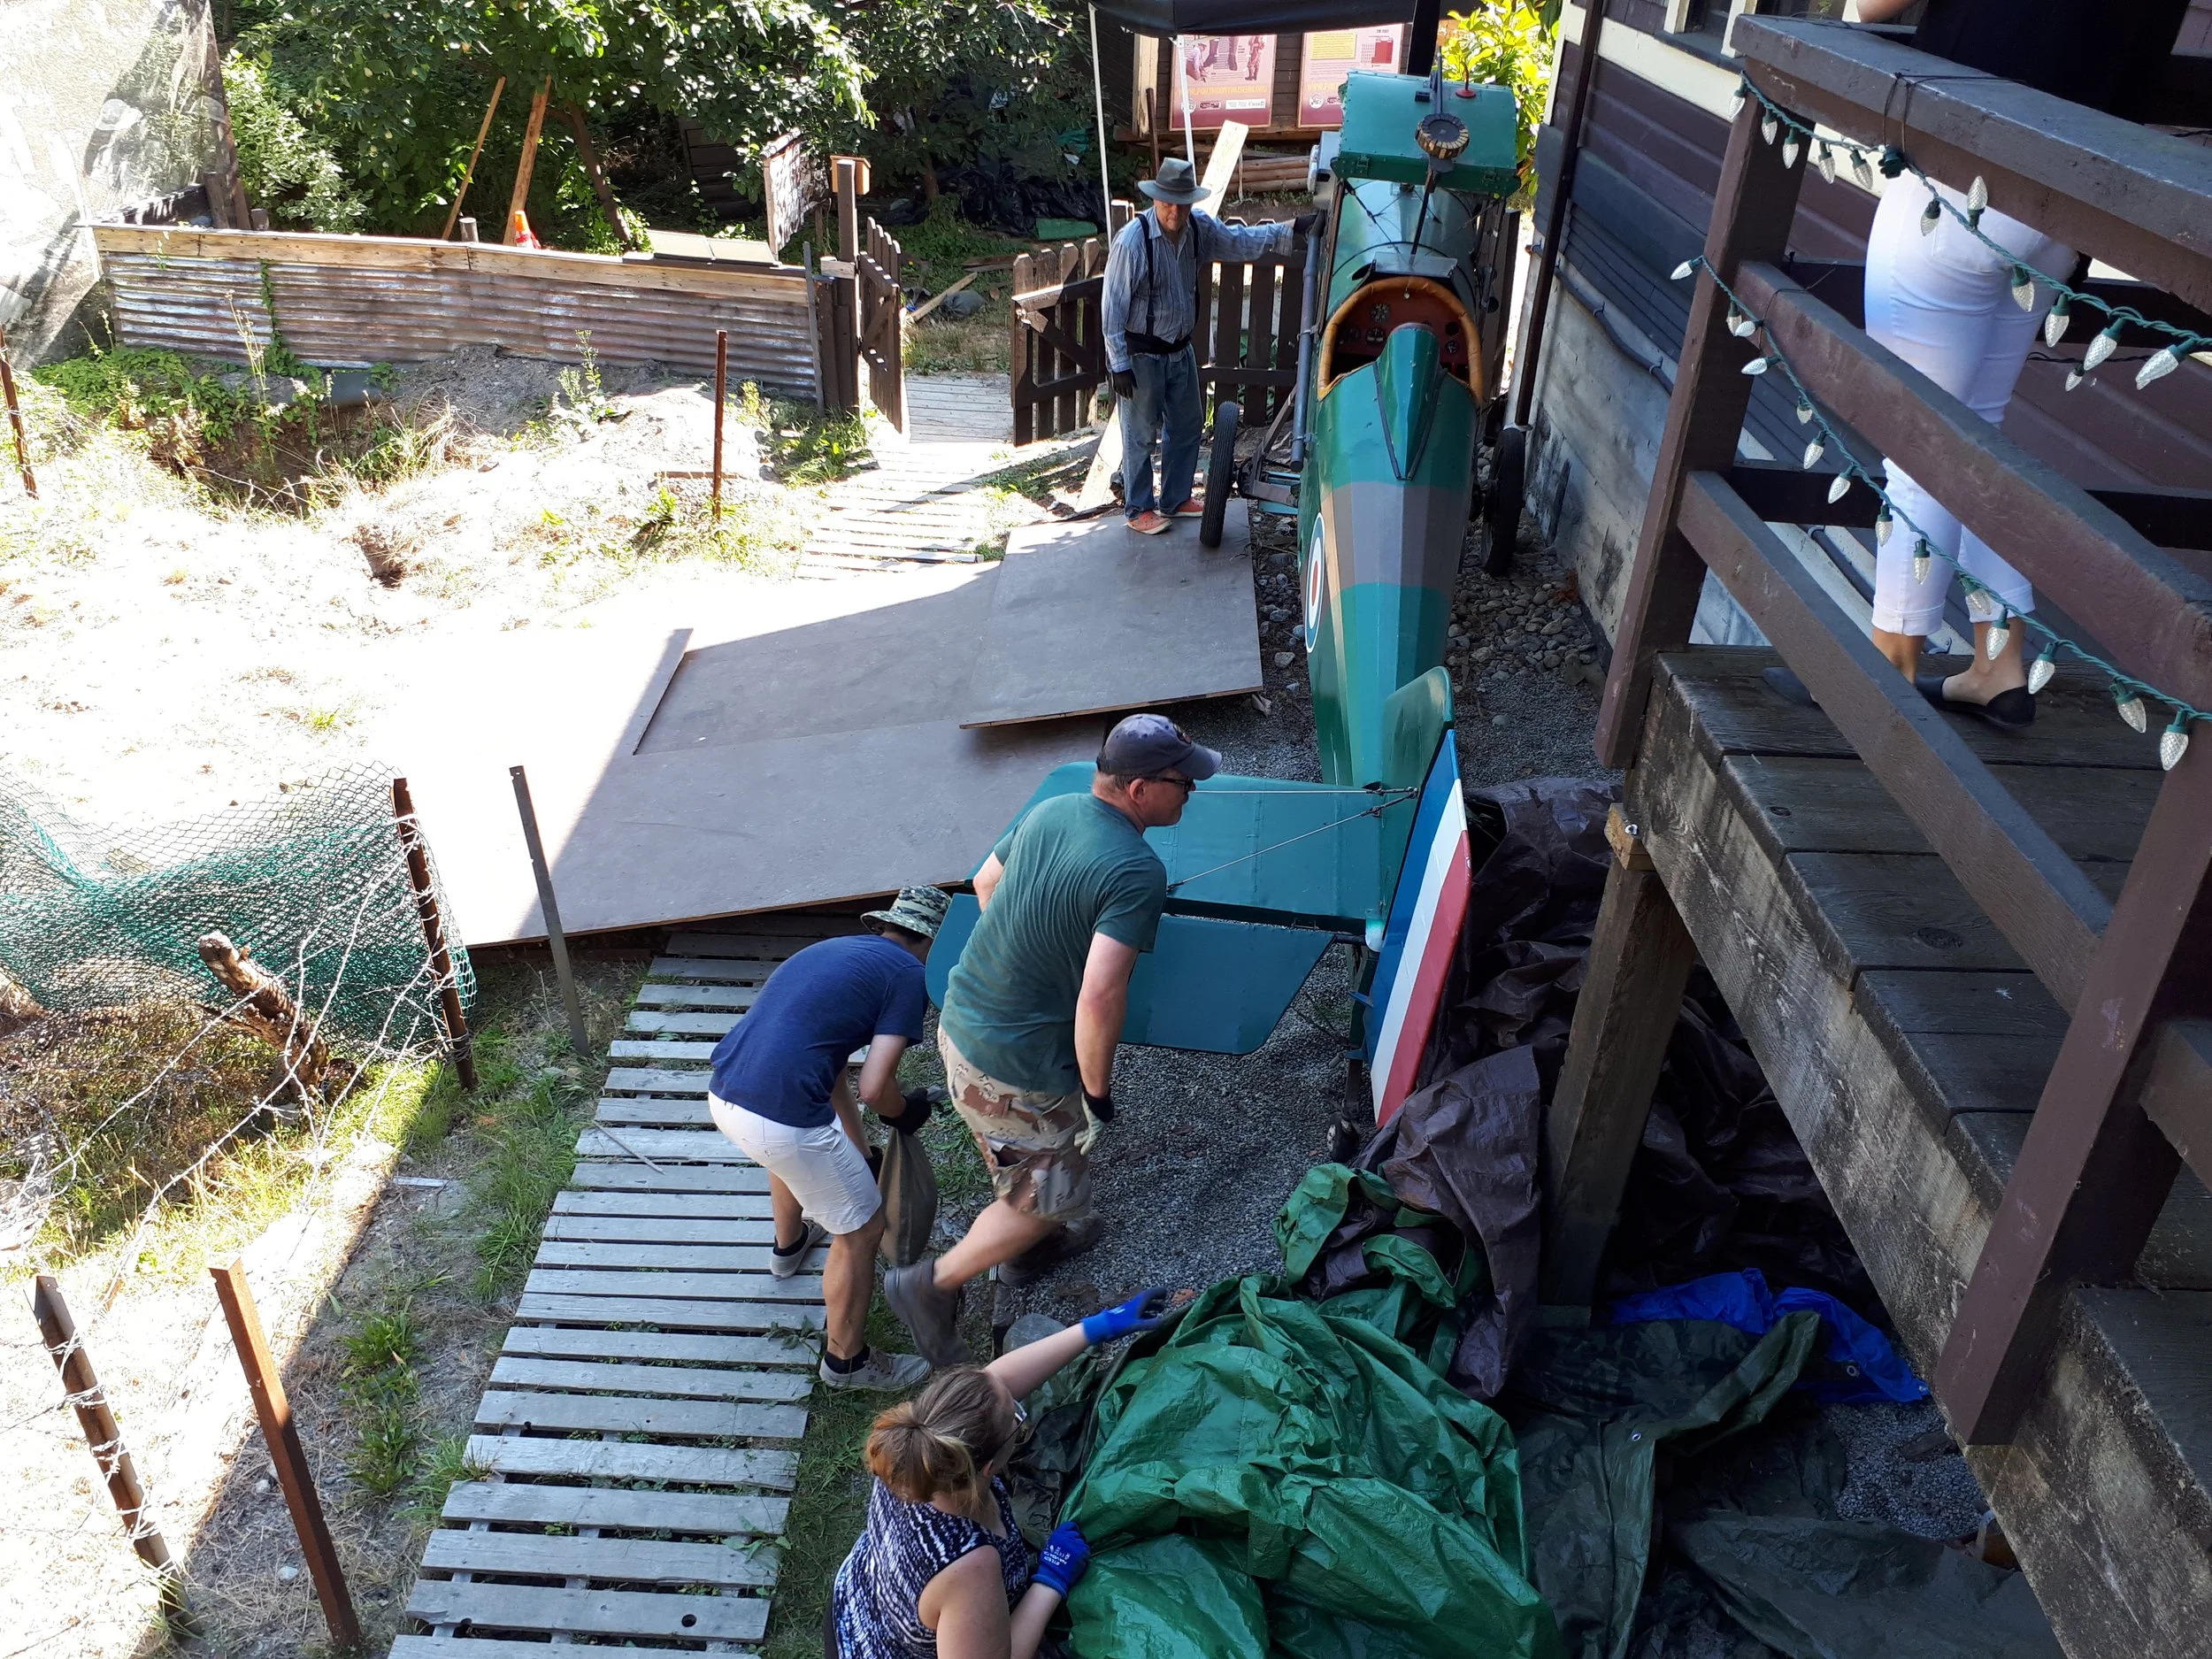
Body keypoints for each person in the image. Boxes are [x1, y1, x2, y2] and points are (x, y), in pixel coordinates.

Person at [1825, 0, 2190, 728]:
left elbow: (1870, 4)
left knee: (1917, 432)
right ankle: (1998, 663)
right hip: (2065, 194)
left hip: (1963, 165)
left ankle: (1889, 661)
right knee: (1975, 427)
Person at [882, 714, 1217, 1365]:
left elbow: (985, 883)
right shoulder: (1134, 870)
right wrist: (1097, 1094)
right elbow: (1099, 995)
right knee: (1046, 1192)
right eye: (1184, 782)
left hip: (959, 1022)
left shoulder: (1056, 808)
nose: (1191, 793)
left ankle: (1025, 1254)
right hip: (1017, 1066)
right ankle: (931, 1284)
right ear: (1141, 788)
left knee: (1011, 1150)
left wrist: (1026, 953)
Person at [831, 1288, 1171, 1659]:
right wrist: (1050, 1580)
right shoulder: (967, 1561)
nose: (1017, 1405)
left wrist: (1093, 1329)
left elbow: (995, 1385)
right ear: (989, 1467)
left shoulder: (911, 1446)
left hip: (858, 1603)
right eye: (1017, 1419)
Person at [706, 887, 951, 1392]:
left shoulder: (834, 951)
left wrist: (860, 1152)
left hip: (727, 1094)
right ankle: (847, 1362)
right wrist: (906, 1115)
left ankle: (789, 1247)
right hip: (782, 1124)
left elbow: (834, 1066)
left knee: (789, 1155)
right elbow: (875, 1087)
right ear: (933, 941)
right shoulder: (908, 975)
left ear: (889, 925)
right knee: (861, 1231)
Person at [1102, 158, 1319, 534]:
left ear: (1191, 202)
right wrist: (1119, 364)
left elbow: (1241, 242)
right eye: (1168, 202)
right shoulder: (1133, 243)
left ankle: (1175, 498)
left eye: (1182, 202)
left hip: (1180, 350)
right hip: (1141, 356)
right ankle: (1138, 508)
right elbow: (1112, 309)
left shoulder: (1198, 229)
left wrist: (1293, 227)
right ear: (1156, 200)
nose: (1175, 210)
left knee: (1186, 427)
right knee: (1140, 435)